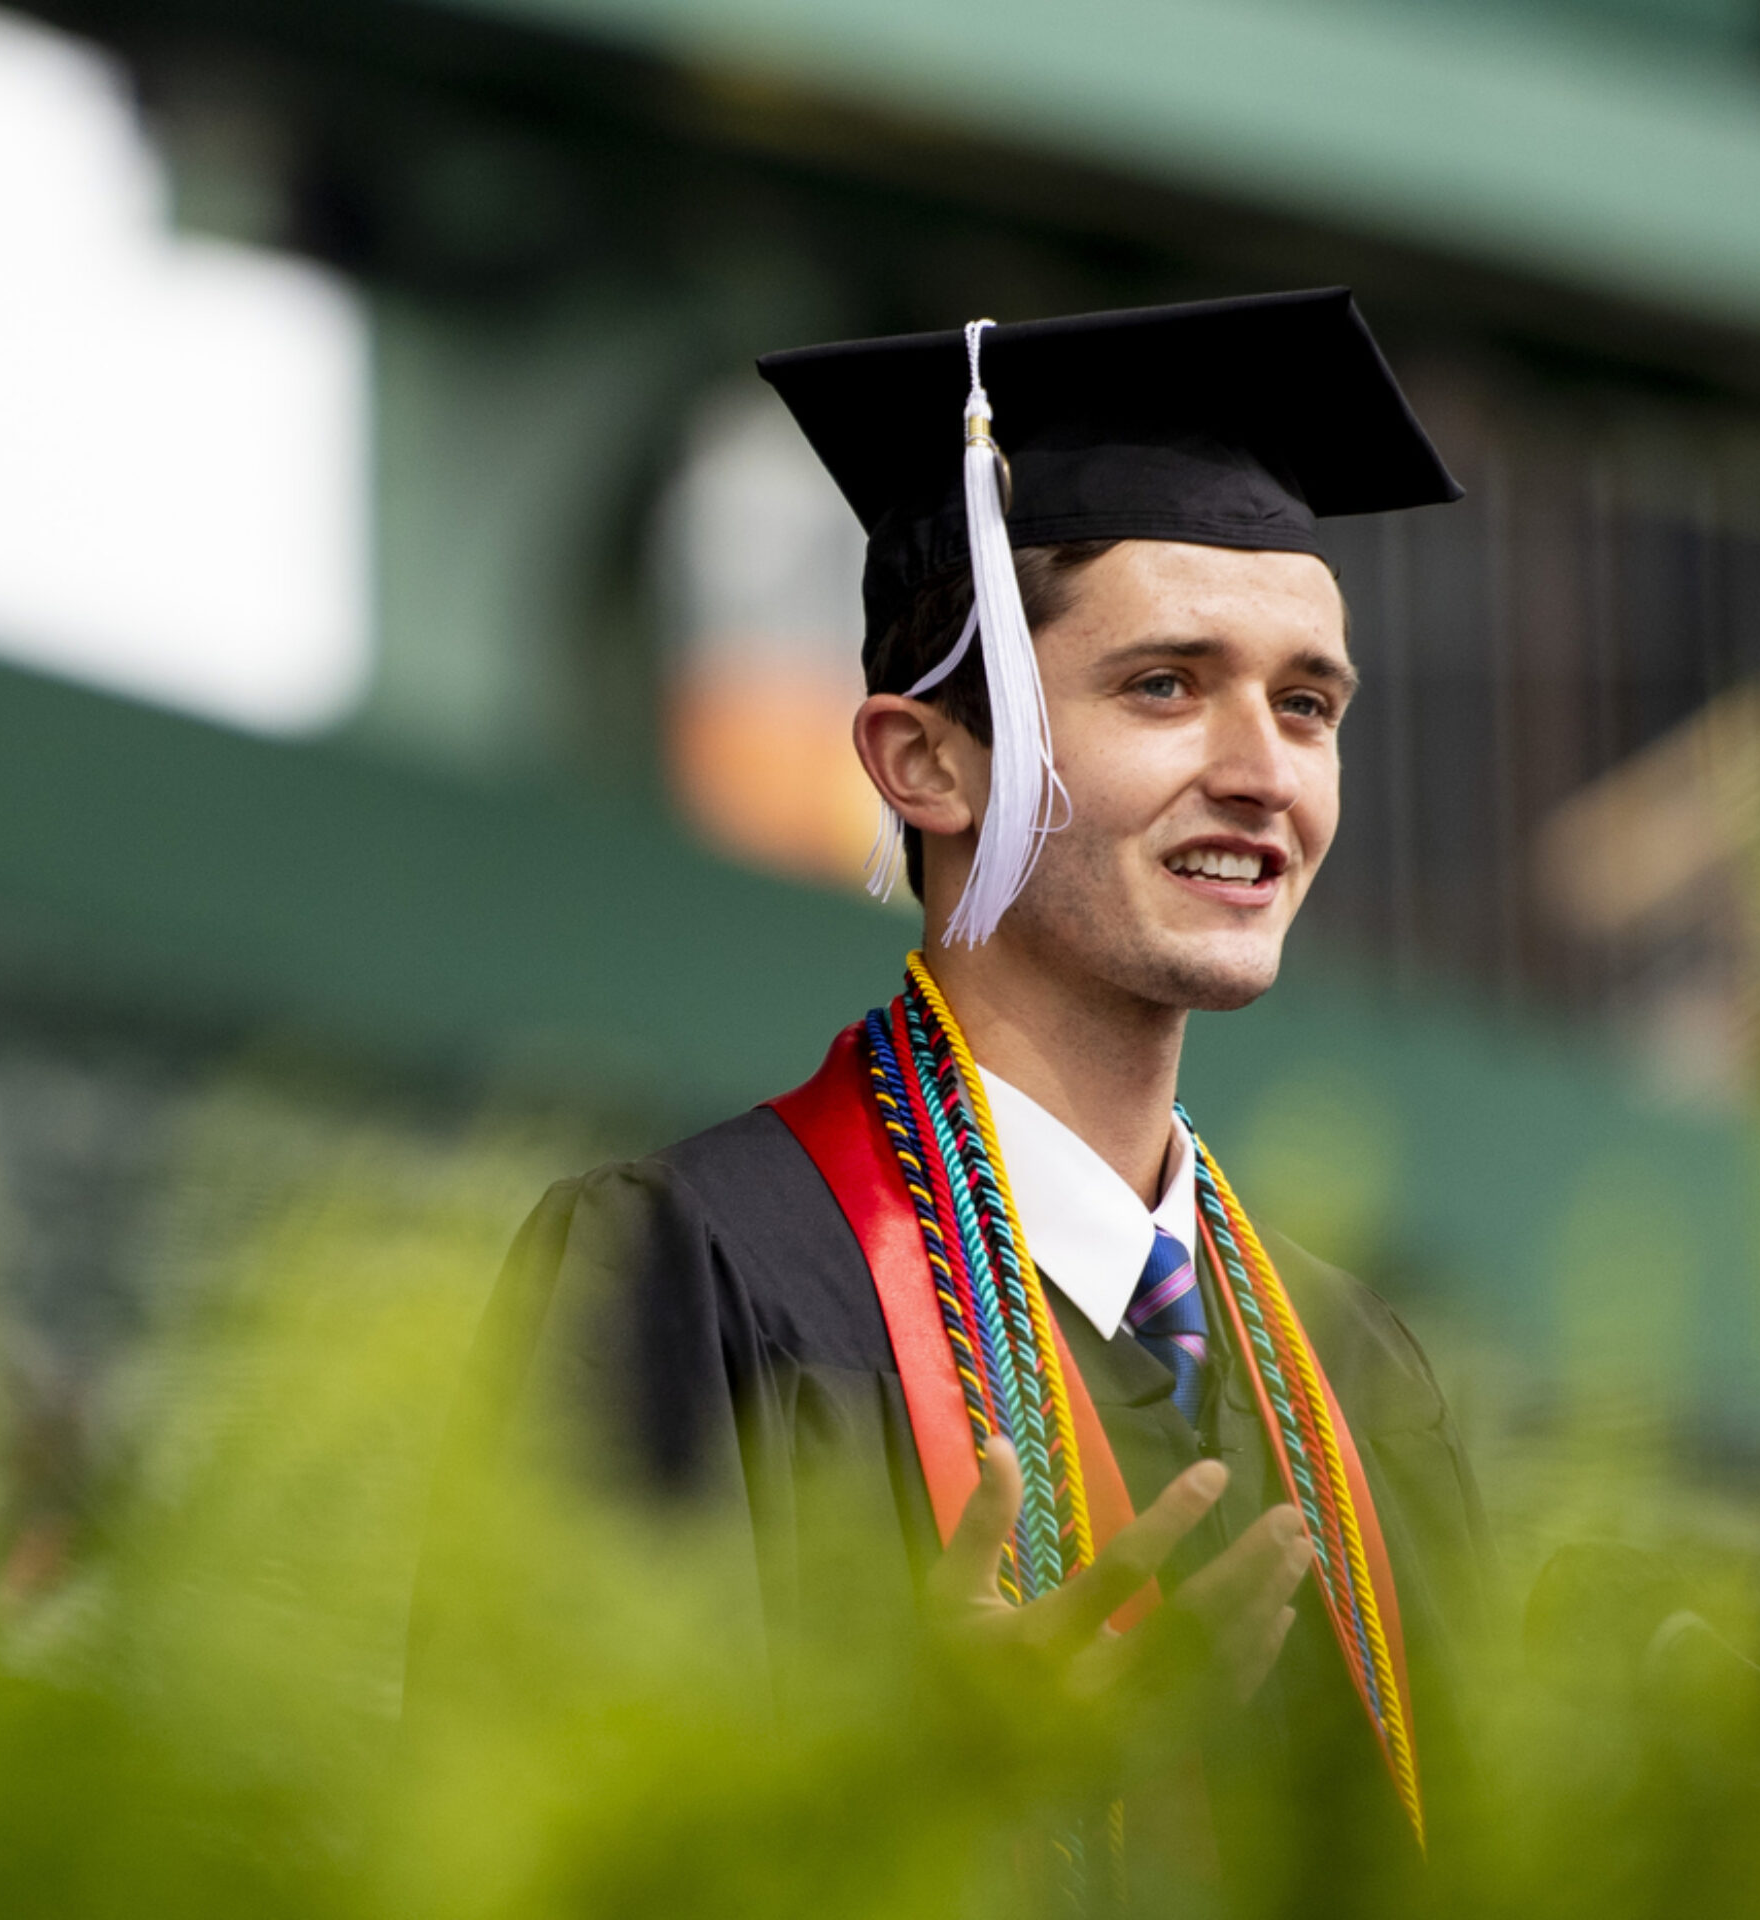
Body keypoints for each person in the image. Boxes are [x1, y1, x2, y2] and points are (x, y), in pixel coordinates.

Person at [411, 289, 1499, 1906]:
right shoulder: (691, 1278)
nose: (1263, 770)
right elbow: (503, 1856)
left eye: (1307, 703)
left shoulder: (1356, 1378)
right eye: (1163, 685)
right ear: (926, 761)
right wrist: (904, 1787)